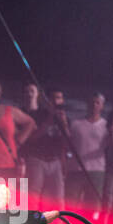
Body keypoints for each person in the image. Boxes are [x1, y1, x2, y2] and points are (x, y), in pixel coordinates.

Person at [20, 82, 70, 211]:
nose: (56, 101)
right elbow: (31, 138)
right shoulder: (39, 114)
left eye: (59, 98)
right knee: (33, 196)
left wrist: (64, 124)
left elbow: (67, 142)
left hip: (55, 160)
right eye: (53, 98)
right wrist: (49, 121)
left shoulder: (63, 116)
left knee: (57, 198)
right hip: (37, 159)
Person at [67, 92, 109, 217]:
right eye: (92, 102)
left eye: (97, 103)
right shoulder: (75, 124)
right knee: (71, 204)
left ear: (102, 106)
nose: (94, 105)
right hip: (75, 169)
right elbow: (67, 145)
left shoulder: (106, 126)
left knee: (92, 206)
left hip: (96, 171)